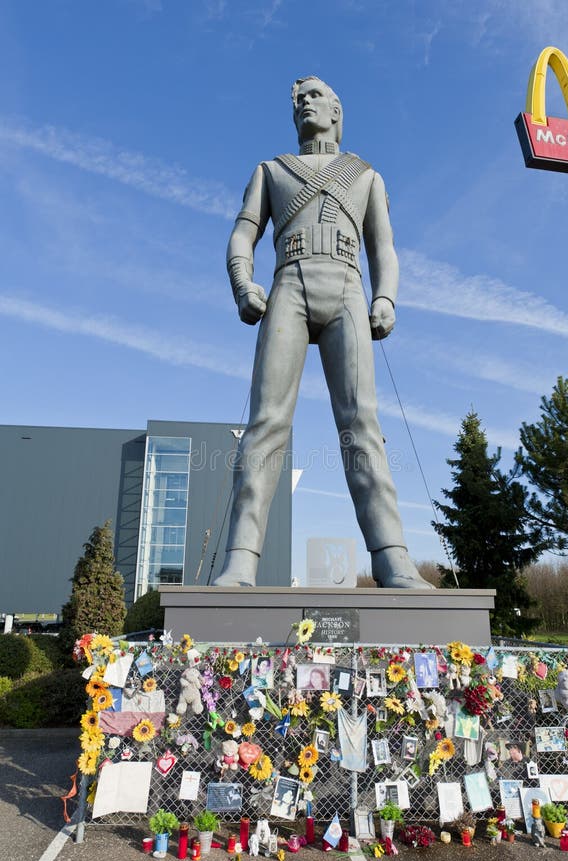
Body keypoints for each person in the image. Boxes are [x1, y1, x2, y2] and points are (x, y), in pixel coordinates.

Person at [214, 76, 433, 590]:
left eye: (314, 95)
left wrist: (386, 297)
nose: (303, 103)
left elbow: (384, 249)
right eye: (298, 99)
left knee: (362, 424)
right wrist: (242, 284)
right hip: (287, 287)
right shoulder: (271, 172)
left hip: (348, 291)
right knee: (267, 423)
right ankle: (240, 560)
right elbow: (243, 233)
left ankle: (393, 559)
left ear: (337, 110)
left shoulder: (366, 176)